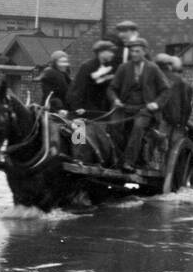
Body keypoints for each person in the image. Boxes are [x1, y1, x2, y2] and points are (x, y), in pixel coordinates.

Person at [107, 38, 169, 172]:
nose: (134, 54)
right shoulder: (123, 68)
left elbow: (165, 90)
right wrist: (115, 99)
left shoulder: (153, 68)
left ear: (144, 52)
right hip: (125, 107)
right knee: (113, 126)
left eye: (137, 51)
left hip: (144, 110)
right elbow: (112, 88)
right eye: (132, 51)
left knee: (138, 127)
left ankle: (128, 162)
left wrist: (156, 104)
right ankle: (117, 159)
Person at [68, 40, 117, 115]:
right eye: (110, 52)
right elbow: (79, 88)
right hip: (88, 110)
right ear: (101, 52)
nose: (112, 54)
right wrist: (77, 107)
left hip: (102, 110)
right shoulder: (88, 66)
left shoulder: (109, 67)